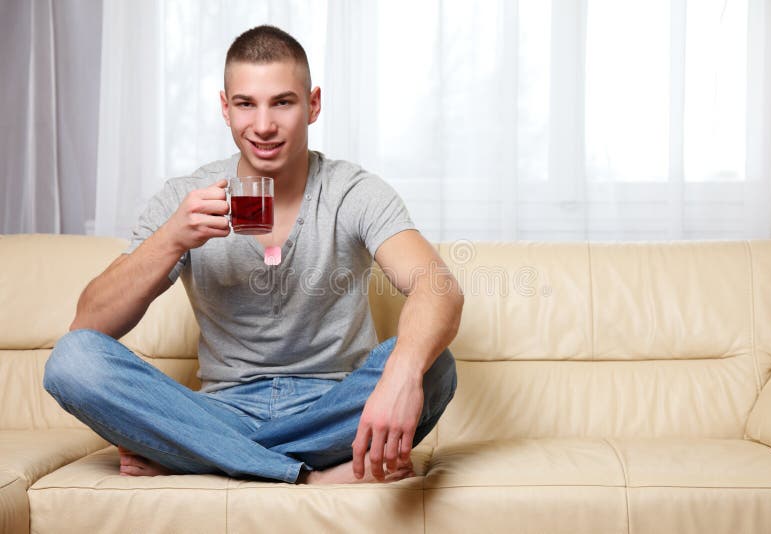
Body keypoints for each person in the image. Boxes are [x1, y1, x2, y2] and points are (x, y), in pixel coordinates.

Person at [42, 25, 462, 485]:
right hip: (222, 410)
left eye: (282, 102)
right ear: (225, 108)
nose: (263, 125)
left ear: (313, 104)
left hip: (334, 409)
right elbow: (89, 326)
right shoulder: (185, 197)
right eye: (246, 104)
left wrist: (401, 375)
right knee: (72, 360)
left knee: (433, 367)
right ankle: (306, 475)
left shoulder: (352, 191)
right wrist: (171, 239)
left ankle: (205, 456)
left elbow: (437, 288)